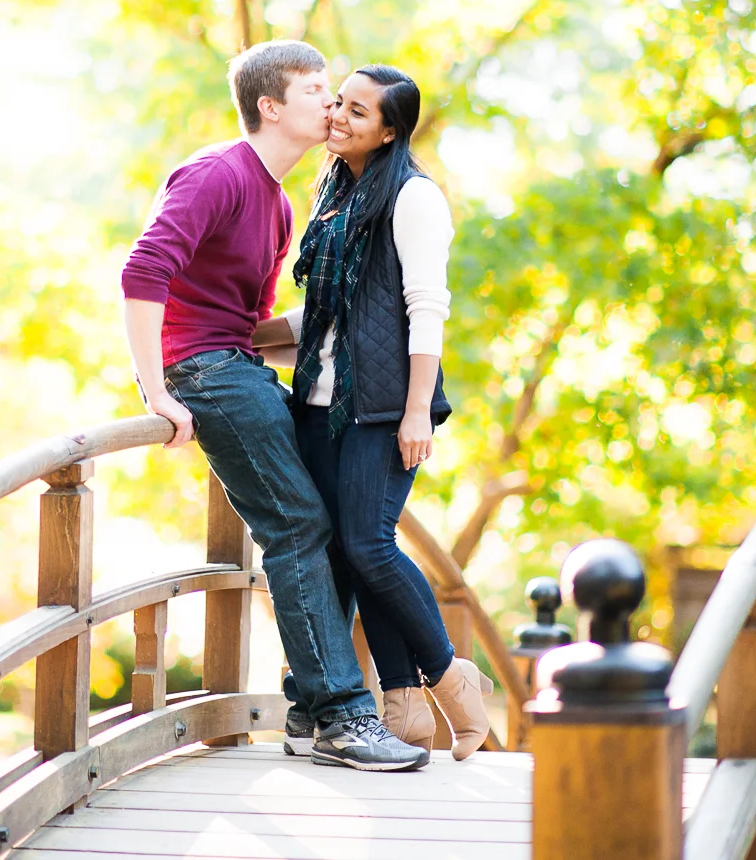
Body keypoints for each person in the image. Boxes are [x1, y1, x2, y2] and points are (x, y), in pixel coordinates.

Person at [120, 40, 431, 772]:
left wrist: (362, 332)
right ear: (271, 106)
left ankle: (305, 706)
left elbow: (254, 323)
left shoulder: (281, 200)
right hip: (205, 372)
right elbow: (142, 270)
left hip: (242, 364)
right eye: (316, 89)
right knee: (298, 523)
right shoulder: (216, 174)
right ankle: (344, 719)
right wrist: (156, 388)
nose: (332, 102)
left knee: (325, 518)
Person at [257, 64, 492, 760]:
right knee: (345, 554)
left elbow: (426, 308)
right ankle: (401, 704)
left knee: (368, 545)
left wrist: (417, 410)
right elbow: (325, 317)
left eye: (358, 113)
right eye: (339, 103)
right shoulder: (336, 193)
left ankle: (453, 679)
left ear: (389, 131)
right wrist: (243, 335)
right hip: (318, 406)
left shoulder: (414, 198)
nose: (339, 117)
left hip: (384, 410)